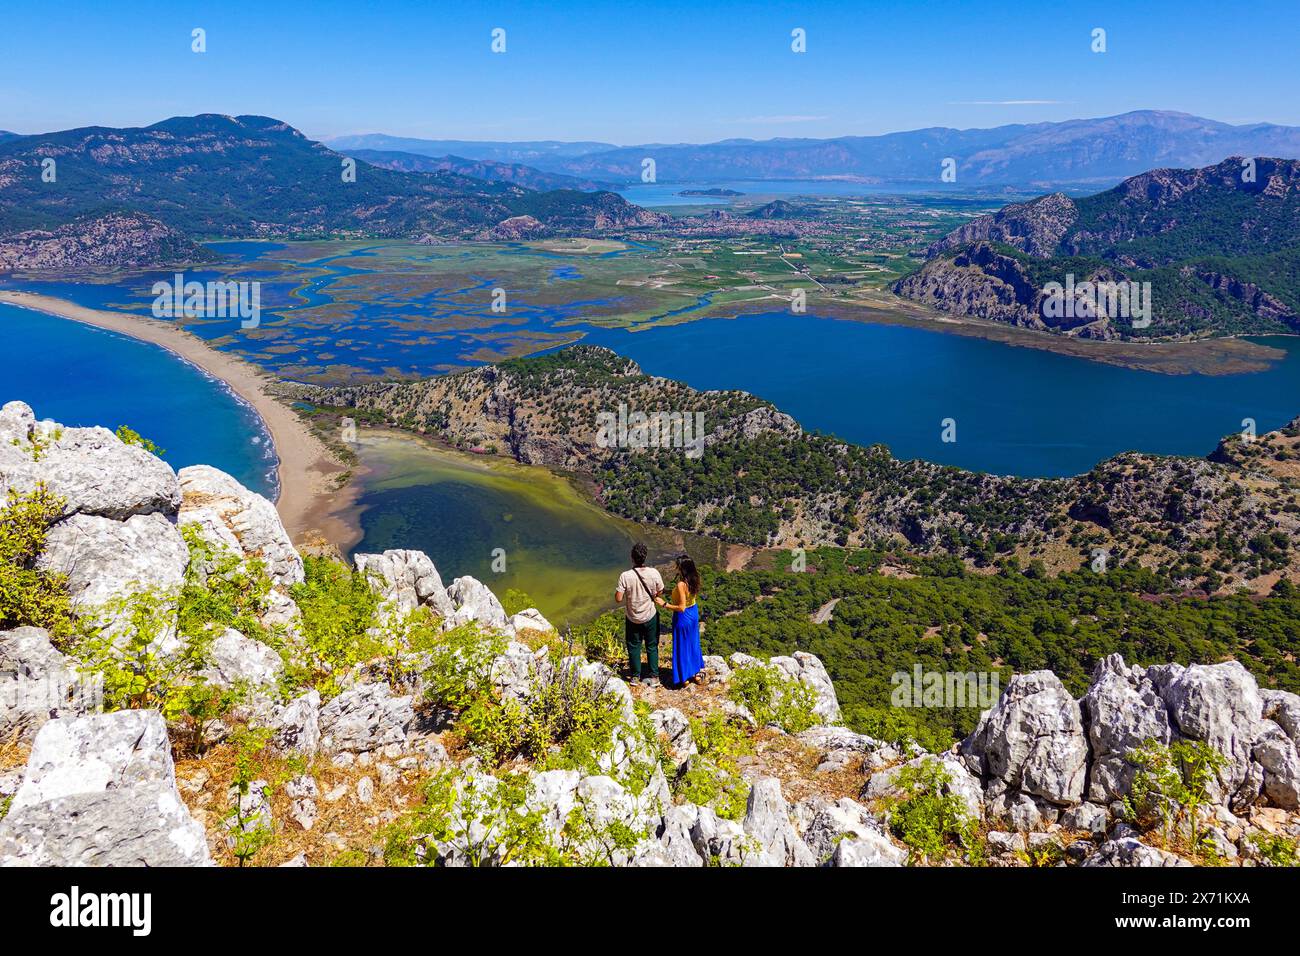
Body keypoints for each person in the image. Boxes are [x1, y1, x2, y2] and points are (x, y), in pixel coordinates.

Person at [615, 542, 664, 685]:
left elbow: (618, 599)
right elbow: (659, 591)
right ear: (645, 557)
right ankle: (654, 676)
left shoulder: (625, 576)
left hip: (633, 617)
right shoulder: (654, 573)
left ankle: (635, 676)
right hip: (650, 615)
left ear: (632, 558)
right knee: (652, 645)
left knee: (634, 646)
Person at [657, 554, 704, 687]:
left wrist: (664, 604)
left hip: (683, 617)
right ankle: (695, 673)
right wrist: (667, 591)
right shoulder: (694, 578)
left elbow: (681, 607)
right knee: (692, 643)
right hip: (693, 613)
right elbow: (685, 597)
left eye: (677, 566)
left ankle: (684, 677)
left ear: (682, 568)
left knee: (682, 645)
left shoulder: (681, 584)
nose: (676, 567)